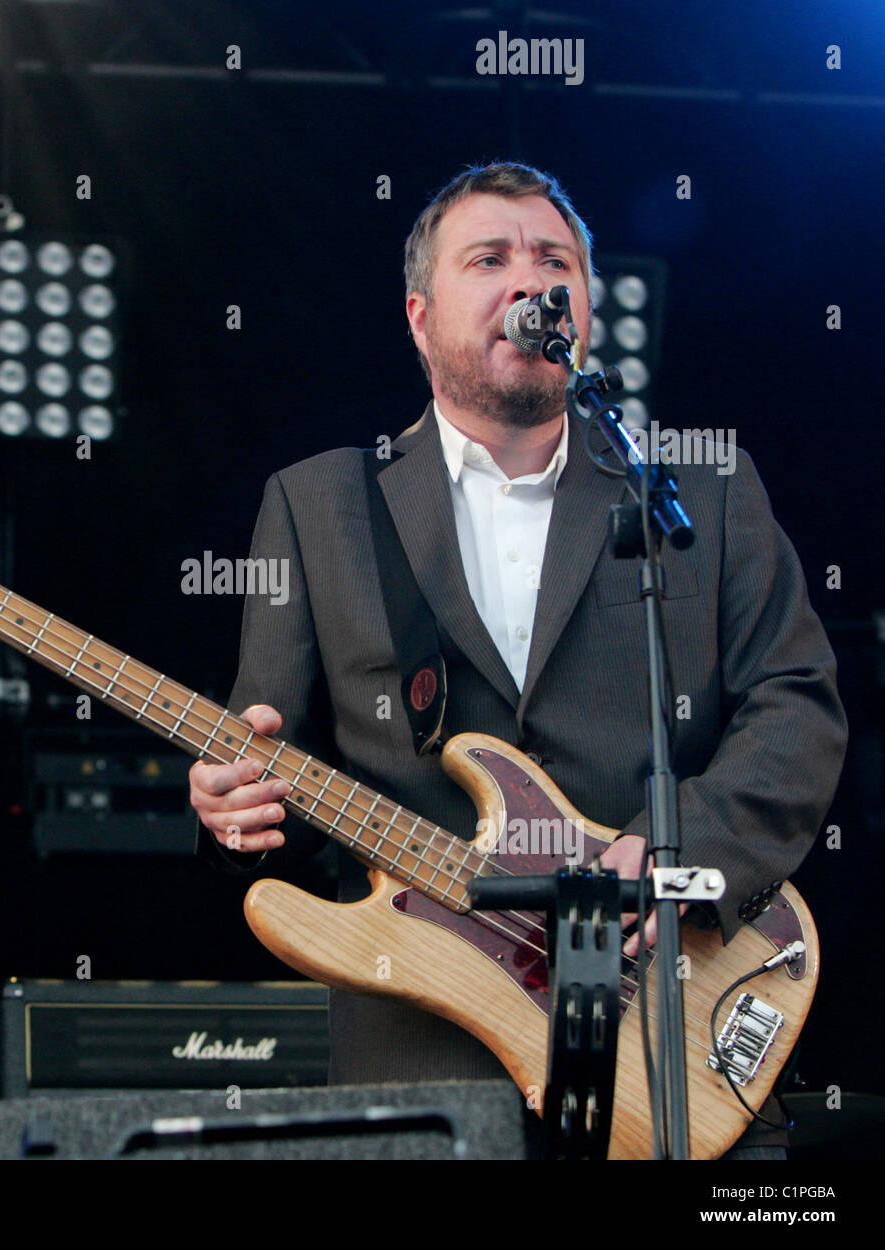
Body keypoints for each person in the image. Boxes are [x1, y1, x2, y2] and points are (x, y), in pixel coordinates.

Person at [189, 162, 847, 1157]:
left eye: (554, 261)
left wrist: (680, 848)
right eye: (488, 258)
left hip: (670, 1027)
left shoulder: (701, 489)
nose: (526, 281)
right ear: (419, 316)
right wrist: (232, 807)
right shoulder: (317, 504)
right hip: (421, 1061)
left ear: (583, 305)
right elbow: (263, 751)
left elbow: (797, 703)